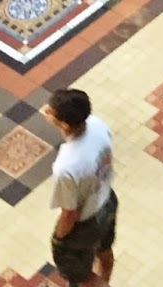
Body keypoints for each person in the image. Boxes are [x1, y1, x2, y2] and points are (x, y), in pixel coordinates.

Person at [44, 88, 117, 287]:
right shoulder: (97, 125)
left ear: (64, 124)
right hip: (107, 201)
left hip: (86, 223)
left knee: (81, 275)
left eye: (51, 112)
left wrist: (59, 239)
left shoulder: (66, 166)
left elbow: (70, 212)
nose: (46, 111)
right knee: (104, 249)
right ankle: (106, 277)